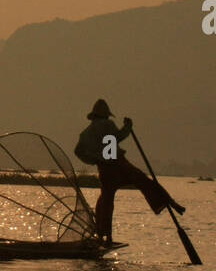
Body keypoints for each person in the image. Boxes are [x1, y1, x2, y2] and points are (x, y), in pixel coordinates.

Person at [75, 98, 185, 246]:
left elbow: (79, 151)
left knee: (106, 199)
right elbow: (114, 142)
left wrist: (95, 159)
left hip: (104, 168)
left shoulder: (86, 132)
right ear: (105, 115)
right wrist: (128, 126)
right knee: (144, 182)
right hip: (118, 165)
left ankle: (104, 235)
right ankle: (169, 202)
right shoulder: (106, 124)